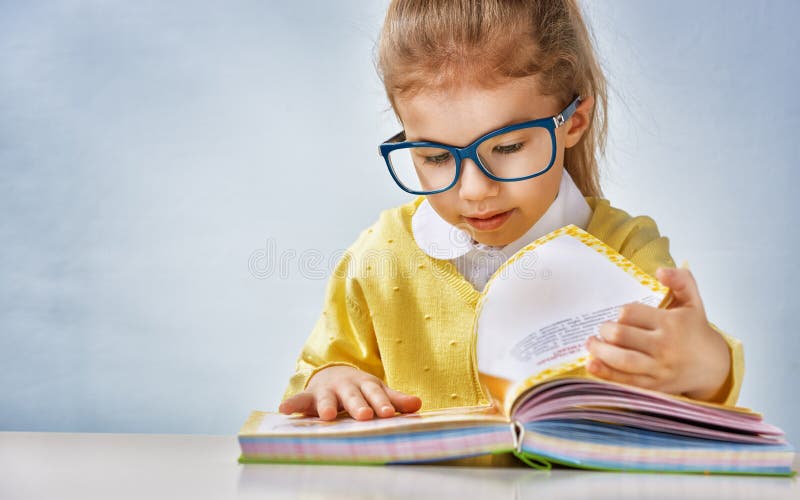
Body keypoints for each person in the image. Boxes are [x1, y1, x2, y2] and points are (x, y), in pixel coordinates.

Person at [278, 0, 743, 466]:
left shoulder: (624, 246)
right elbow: (316, 375)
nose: (476, 191)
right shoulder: (378, 256)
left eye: (508, 147)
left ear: (573, 122)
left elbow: (695, 393)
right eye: (436, 157)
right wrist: (331, 381)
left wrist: (706, 361)